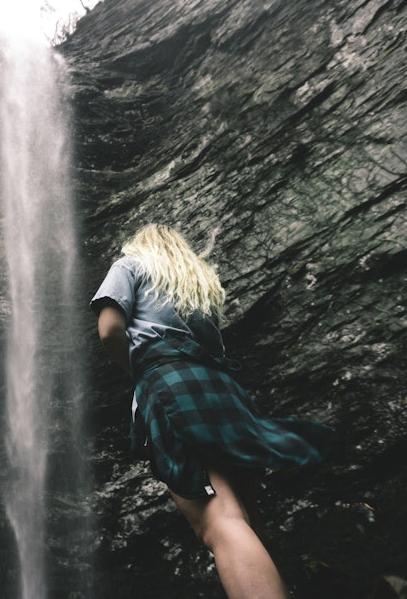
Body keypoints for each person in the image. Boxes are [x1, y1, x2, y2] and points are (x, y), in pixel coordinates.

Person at [90, 223, 332, 599]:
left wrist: (140, 374)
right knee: (246, 519)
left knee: (219, 523)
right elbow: (214, 352)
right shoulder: (195, 285)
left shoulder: (131, 265)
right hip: (222, 392)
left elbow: (109, 329)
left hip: (172, 387)